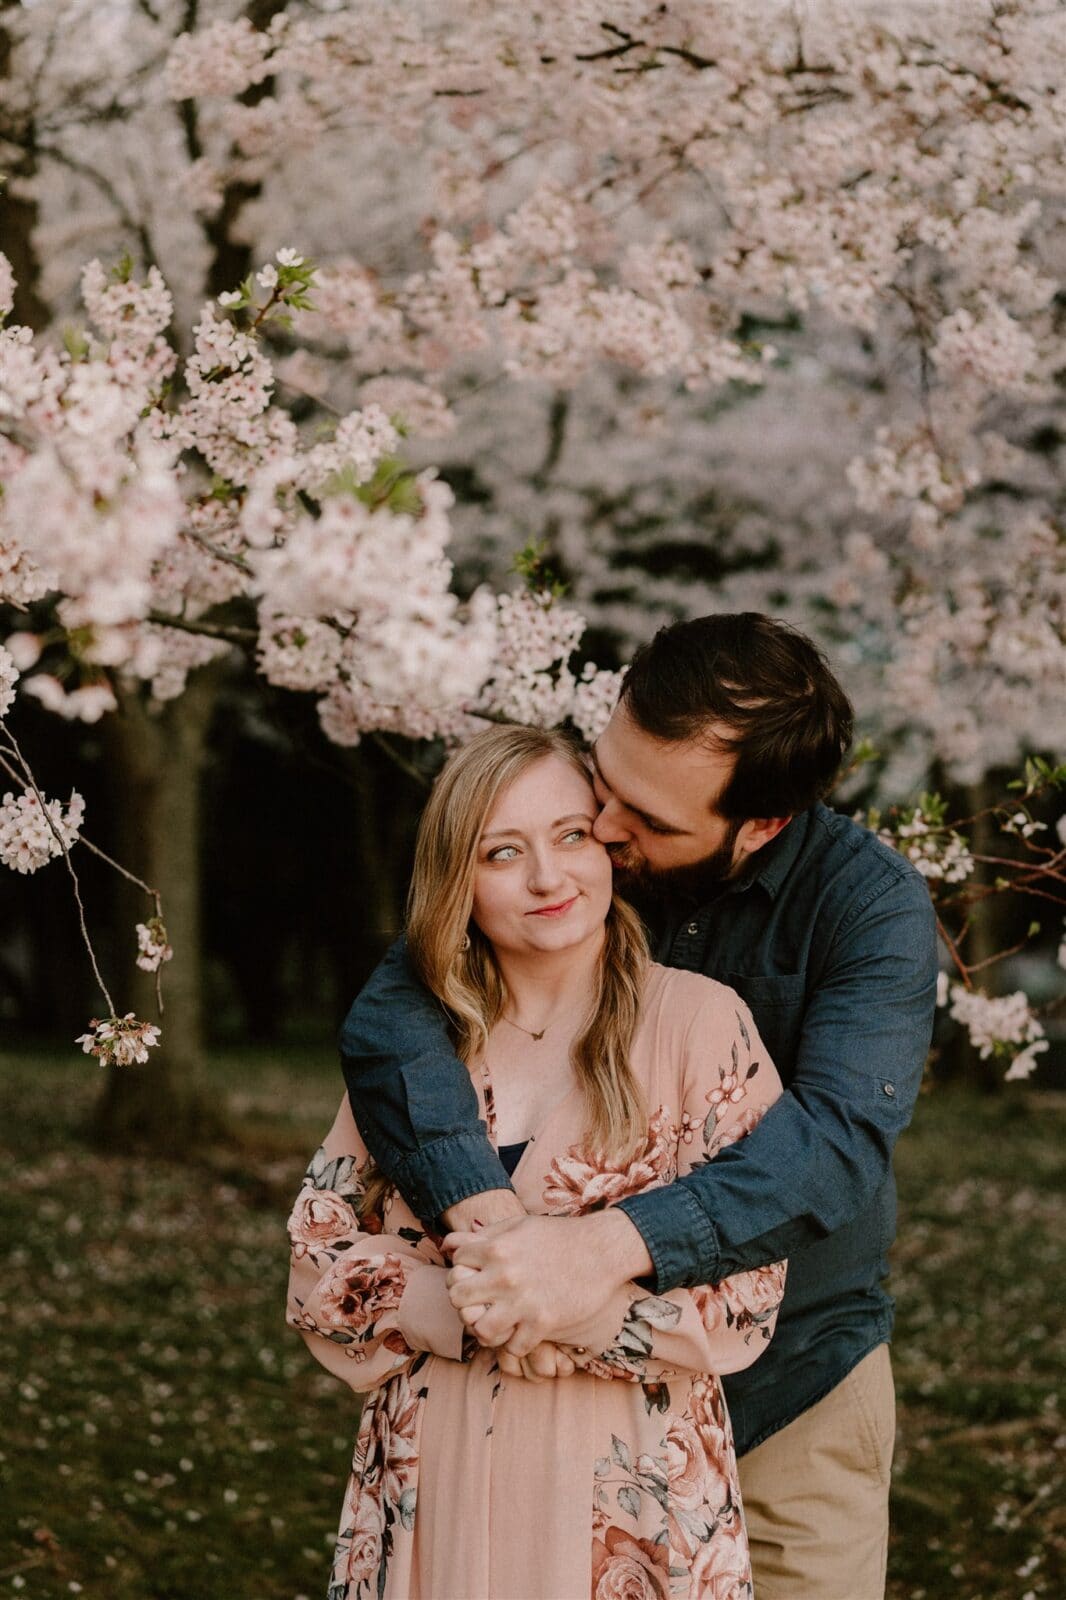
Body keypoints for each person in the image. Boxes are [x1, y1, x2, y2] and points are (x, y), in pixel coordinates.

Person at [339, 613, 940, 1600]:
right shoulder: (575, 855)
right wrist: (489, 1221)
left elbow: (834, 1146)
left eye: (650, 821)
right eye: (603, 785)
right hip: (570, 1397)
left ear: (762, 824)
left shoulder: (867, 906)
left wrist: (599, 1248)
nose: (606, 830)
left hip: (790, 1386)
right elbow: (396, 1012)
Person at [287, 724, 787, 1599]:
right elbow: (317, 1268)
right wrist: (469, 1306)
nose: (549, 877)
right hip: (431, 1479)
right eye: (503, 852)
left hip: (633, 1495)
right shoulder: (416, 1053)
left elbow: (748, 1293)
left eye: (571, 836)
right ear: (459, 882)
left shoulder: (702, 1024)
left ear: (609, 847)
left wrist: (571, 1313)